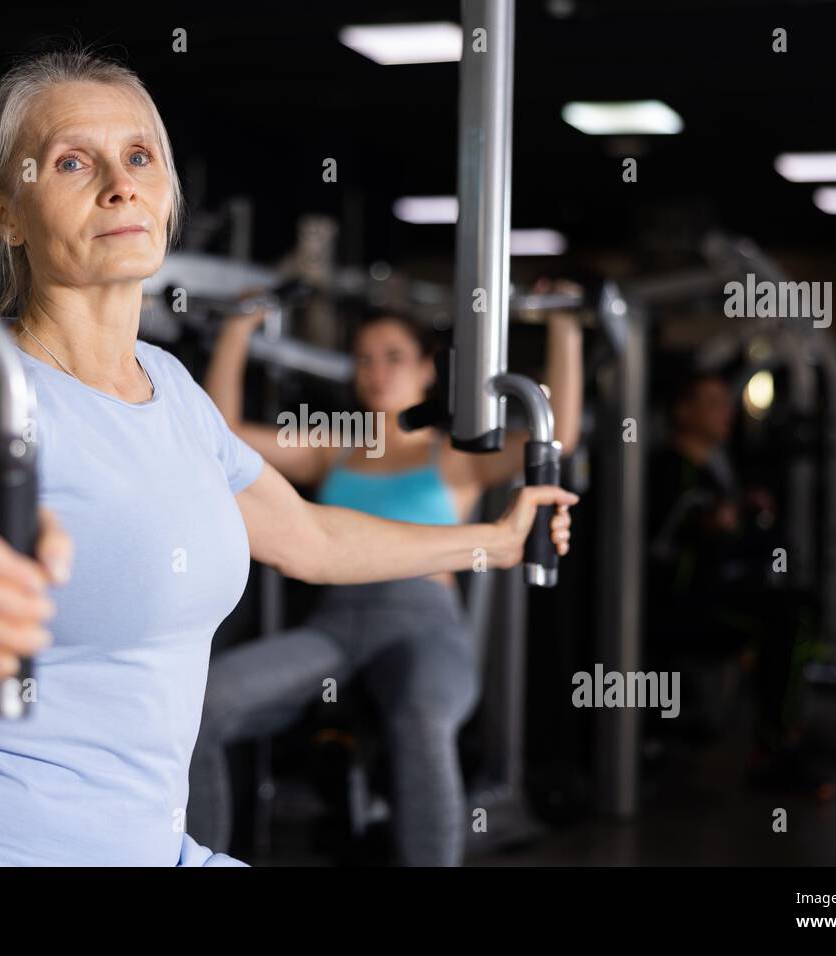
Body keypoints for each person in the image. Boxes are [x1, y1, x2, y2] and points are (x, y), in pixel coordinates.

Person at [0, 49, 577, 868]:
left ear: (166, 197)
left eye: (139, 157)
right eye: (71, 162)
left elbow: (312, 539)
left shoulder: (173, 391)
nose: (119, 185)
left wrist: (499, 542)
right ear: (7, 211)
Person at [188, 289, 583, 866]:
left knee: (421, 718)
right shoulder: (335, 449)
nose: (376, 371)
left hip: (424, 624)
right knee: (203, 702)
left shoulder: (456, 455)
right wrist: (238, 328)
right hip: (335, 626)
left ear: (428, 369)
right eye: (365, 358)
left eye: (393, 356)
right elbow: (222, 437)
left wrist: (563, 328)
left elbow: (558, 437)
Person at [645, 371, 824, 794]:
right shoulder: (667, 469)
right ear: (683, 411)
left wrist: (743, 512)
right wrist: (714, 522)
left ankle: (787, 735)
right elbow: (672, 535)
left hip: (718, 593)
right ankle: (775, 747)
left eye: (726, 403)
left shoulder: (721, 469)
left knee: (797, 607)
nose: (724, 413)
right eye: (711, 403)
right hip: (681, 605)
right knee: (787, 617)